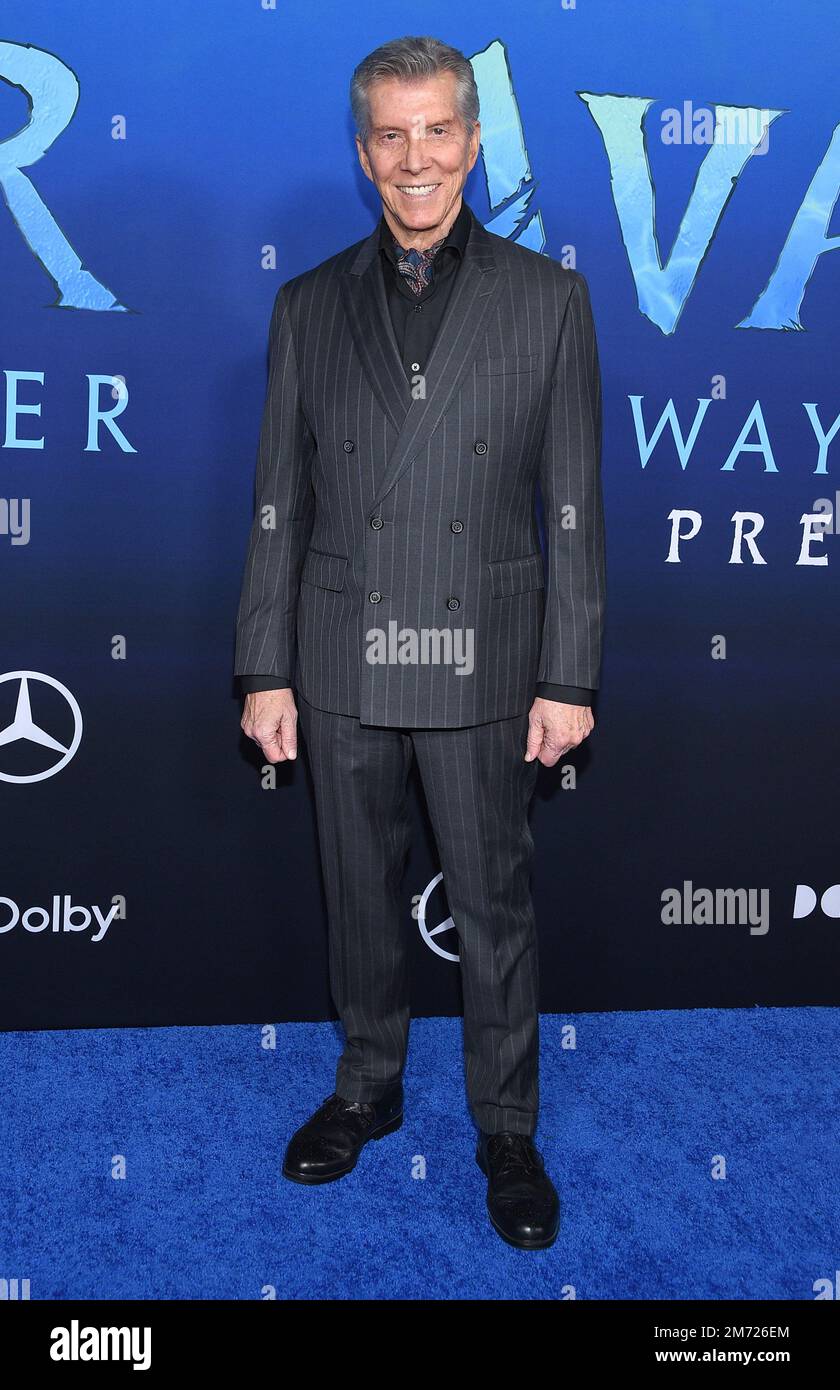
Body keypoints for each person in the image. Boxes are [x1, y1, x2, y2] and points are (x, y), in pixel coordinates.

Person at [235, 35, 605, 1250]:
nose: (415, 159)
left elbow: (572, 507)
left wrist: (568, 674)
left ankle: (505, 1126)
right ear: (361, 152)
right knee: (357, 896)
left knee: (493, 905)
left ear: (473, 140)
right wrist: (264, 665)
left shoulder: (549, 299)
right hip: (339, 657)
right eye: (390, 136)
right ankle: (366, 1089)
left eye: (436, 130)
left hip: (485, 656)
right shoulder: (305, 305)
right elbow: (277, 503)